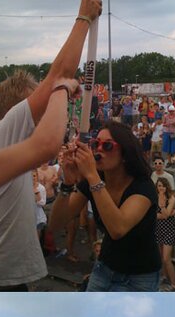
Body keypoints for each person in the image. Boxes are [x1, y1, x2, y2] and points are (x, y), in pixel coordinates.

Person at [0, 0, 101, 290]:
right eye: (37, 105)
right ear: (17, 110)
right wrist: (83, 19)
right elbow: (59, 74)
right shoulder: (8, 130)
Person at [50, 123, 161, 291]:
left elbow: (118, 228)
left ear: (125, 153)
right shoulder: (93, 181)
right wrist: (66, 182)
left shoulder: (143, 186)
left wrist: (92, 176)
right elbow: (56, 224)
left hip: (139, 276)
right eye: (95, 144)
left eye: (107, 145)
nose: (98, 150)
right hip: (105, 267)